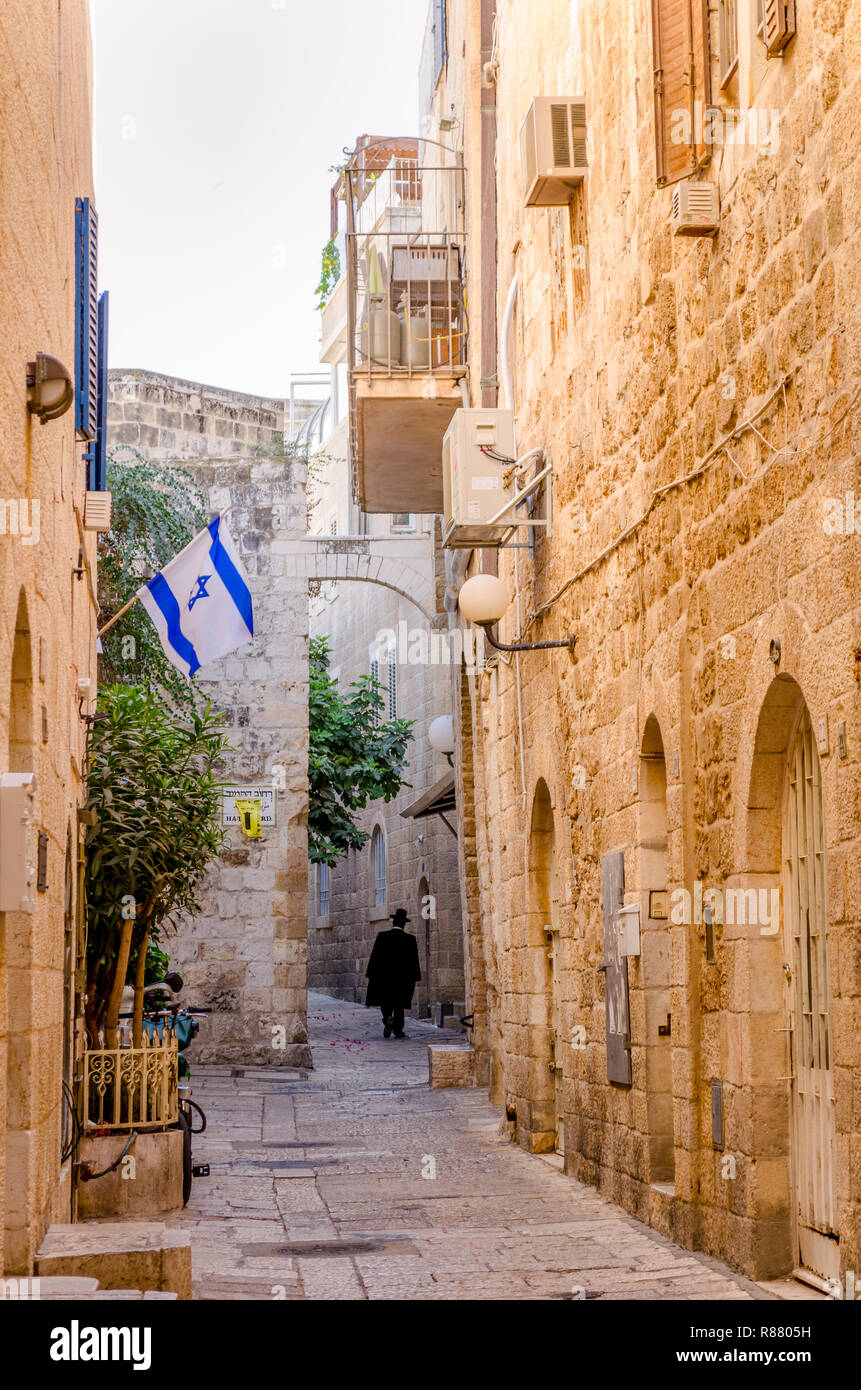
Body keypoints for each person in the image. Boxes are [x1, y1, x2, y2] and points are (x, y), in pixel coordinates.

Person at [365, 908, 421, 1038]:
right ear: (404, 924)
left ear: (393, 923)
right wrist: (415, 977)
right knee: (399, 1006)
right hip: (402, 981)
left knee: (385, 1003)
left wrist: (371, 975)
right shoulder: (410, 940)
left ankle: (388, 1018)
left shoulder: (382, 937)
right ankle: (398, 1030)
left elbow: (375, 958)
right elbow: (414, 961)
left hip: (384, 979)